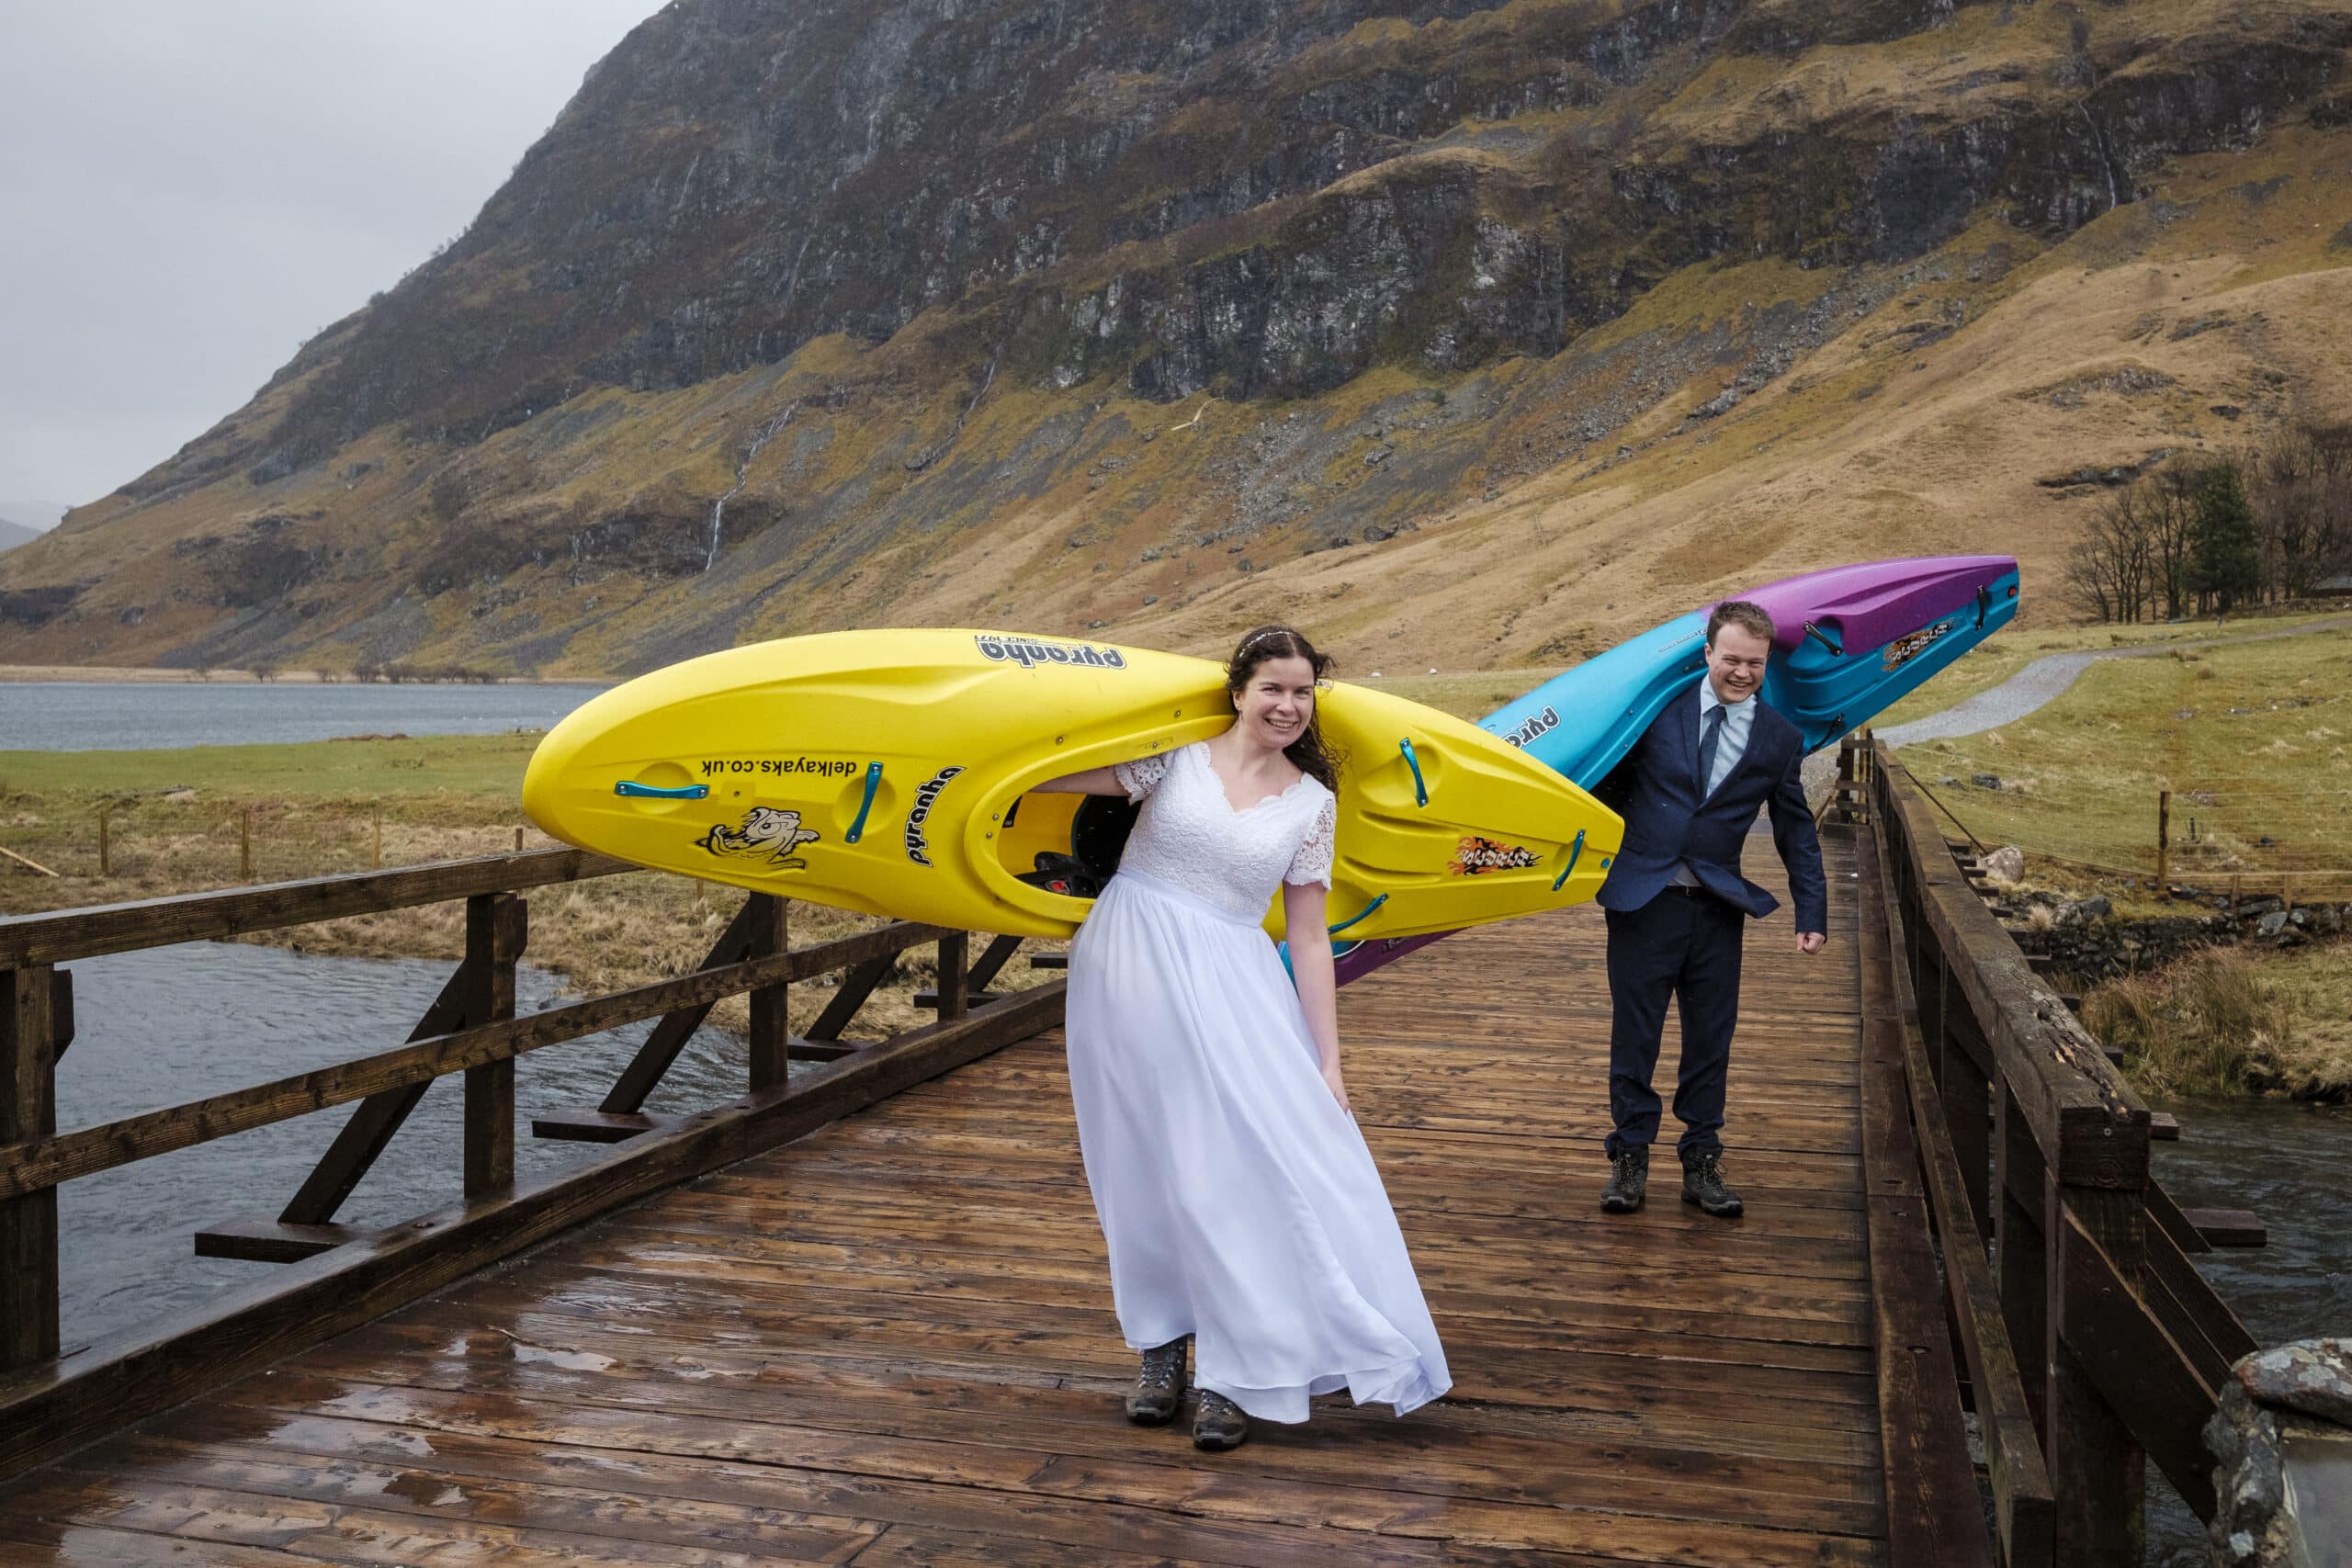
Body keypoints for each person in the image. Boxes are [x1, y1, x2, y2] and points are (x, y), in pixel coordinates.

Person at [1036, 625, 1450, 1451]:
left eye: (1302, 693)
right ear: (1238, 691)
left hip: (1232, 981)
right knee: (1137, 1163)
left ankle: (1240, 1368)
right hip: (1124, 968)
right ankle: (1161, 1348)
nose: (1288, 706)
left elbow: (1307, 938)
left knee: (1224, 1170)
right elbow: (1030, 773)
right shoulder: (1173, 760)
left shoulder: (1311, 803)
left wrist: (1327, 1058)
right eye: (1274, 689)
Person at [1592, 600, 1827, 1219]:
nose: (1742, 672)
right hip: (1643, 900)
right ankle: (1631, 1156)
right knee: (1635, 1035)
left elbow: (1796, 830)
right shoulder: (1652, 716)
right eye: (1731, 659)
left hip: (1718, 909)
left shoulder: (1779, 739)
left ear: (1766, 661)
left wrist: (1813, 911)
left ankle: (1701, 1161)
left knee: (1710, 1040)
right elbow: (1599, 784)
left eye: (1754, 662)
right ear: (1707, 654)